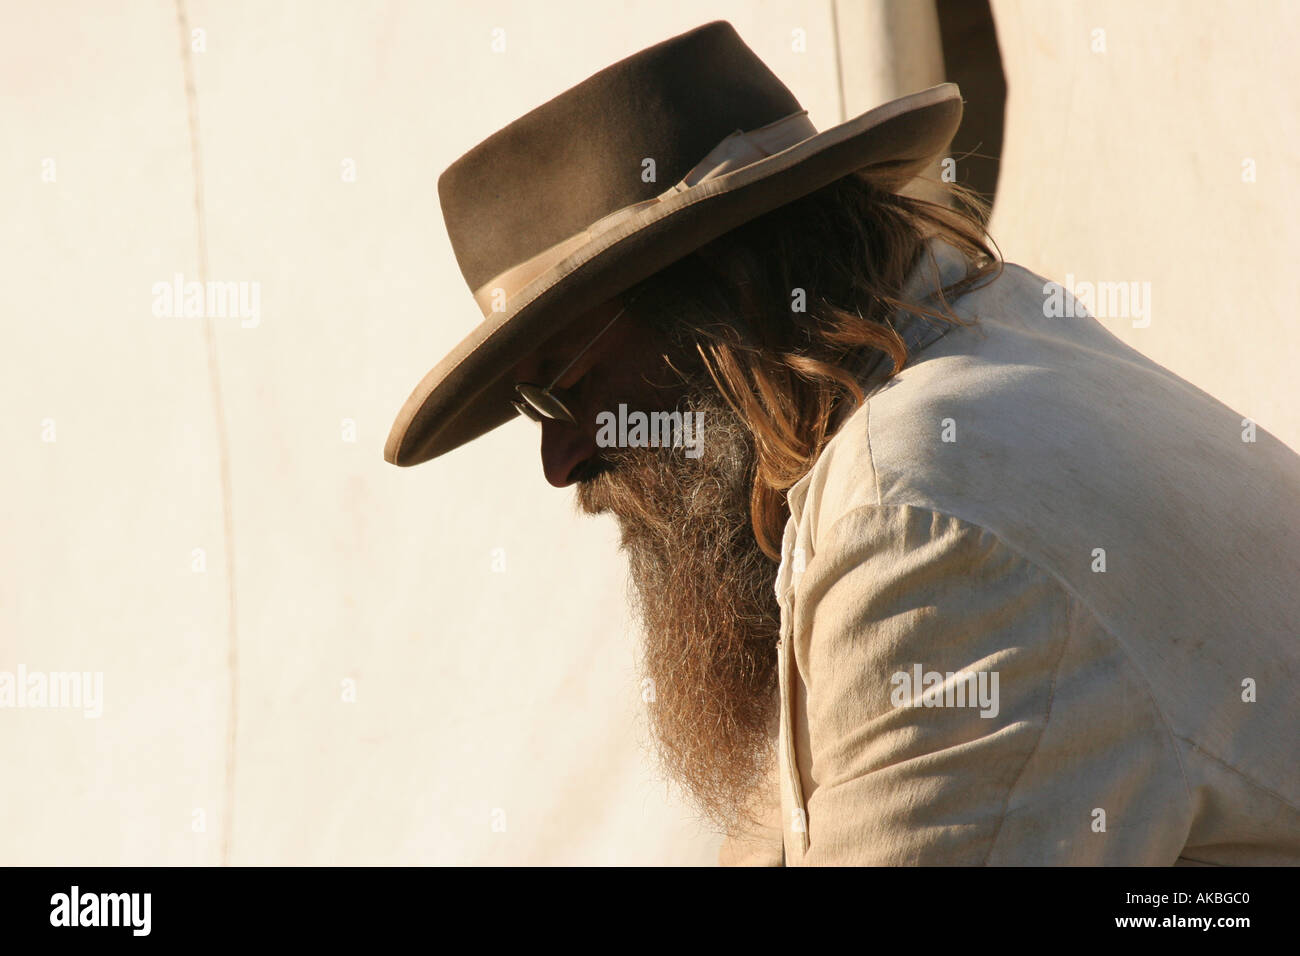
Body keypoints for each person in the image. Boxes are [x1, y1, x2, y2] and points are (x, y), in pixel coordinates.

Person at [385, 21, 1300, 865]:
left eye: (563, 388)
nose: (561, 464)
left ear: (726, 294)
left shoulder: (916, 520)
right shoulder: (994, 351)